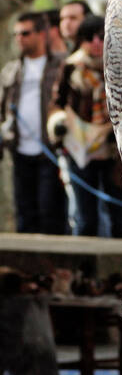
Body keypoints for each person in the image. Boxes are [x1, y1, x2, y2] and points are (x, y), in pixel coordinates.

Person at [48, 15, 122, 238]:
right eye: (89, 38)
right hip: (80, 148)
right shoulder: (71, 67)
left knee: (119, 215)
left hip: (114, 151)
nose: (95, 43)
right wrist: (58, 125)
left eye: (101, 37)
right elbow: (56, 104)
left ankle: (120, 269)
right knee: (86, 216)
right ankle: (85, 269)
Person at [0, 12, 69, 233]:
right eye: (17, 34)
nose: (20, 38)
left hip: (50, 150)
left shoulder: (60, 65)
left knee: (49, 212)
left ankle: (54, 266)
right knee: (25, 213)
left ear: (41, 33)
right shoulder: (11, 70)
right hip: (19, 151)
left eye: (26, 33)